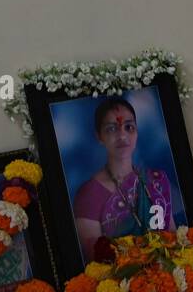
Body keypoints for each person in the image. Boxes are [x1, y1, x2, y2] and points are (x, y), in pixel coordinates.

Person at [72, 96, 175, 258]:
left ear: (137, 131)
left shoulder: (156, 181)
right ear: (99, 136)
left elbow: (173, 239)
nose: (122, 136)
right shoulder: (88, 195)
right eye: (112, 129)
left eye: (129, 127)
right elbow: (97, 261)